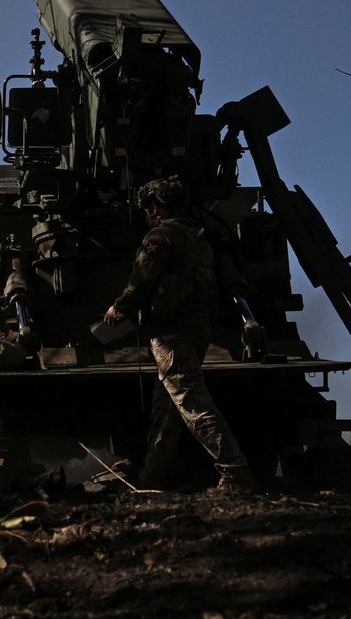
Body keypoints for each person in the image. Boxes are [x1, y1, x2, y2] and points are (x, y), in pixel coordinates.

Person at [101, 176, 256, 492]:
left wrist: (119, 309)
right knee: (166, 413)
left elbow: (142, 280)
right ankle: (150, 480)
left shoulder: (159, 238)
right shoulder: (198, 238)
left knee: (192, 404)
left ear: (155, 207)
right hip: (197, 329)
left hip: (170, 333)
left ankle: (235, 474)